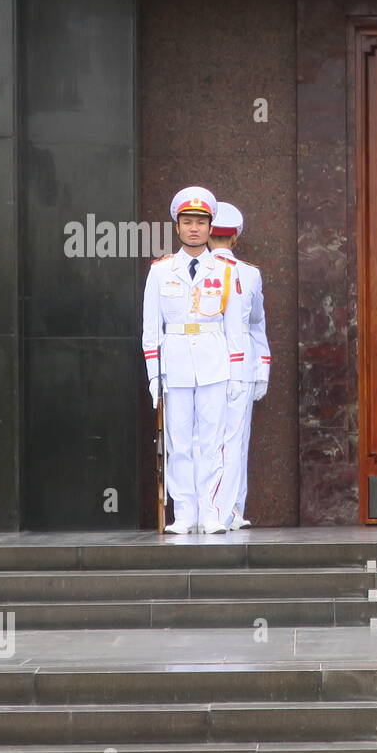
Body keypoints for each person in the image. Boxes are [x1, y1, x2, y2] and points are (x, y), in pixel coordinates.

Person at [142, 186, 243, 534]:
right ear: (177, 227)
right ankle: (184, 513)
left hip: (215, 362)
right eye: (187, 222)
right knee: (178, 442)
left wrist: (236, 374)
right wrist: (155, 376)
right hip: (175, 363)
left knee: (213, 442)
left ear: (211, 226)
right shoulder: (160, 271)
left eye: (201, 222)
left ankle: (212, 512)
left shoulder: (227, 271)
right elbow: (151, 328)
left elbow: (235, 328)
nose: (194, 228)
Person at [208, 202, 269, 529]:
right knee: (235, 440)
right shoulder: (250, 274)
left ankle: (211, 509)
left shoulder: (194, 269)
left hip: (204, 363)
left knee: (204, 440)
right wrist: (263, 368)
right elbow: (257, 323)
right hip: (241, 364)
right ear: (235, 238)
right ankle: (230, 510)